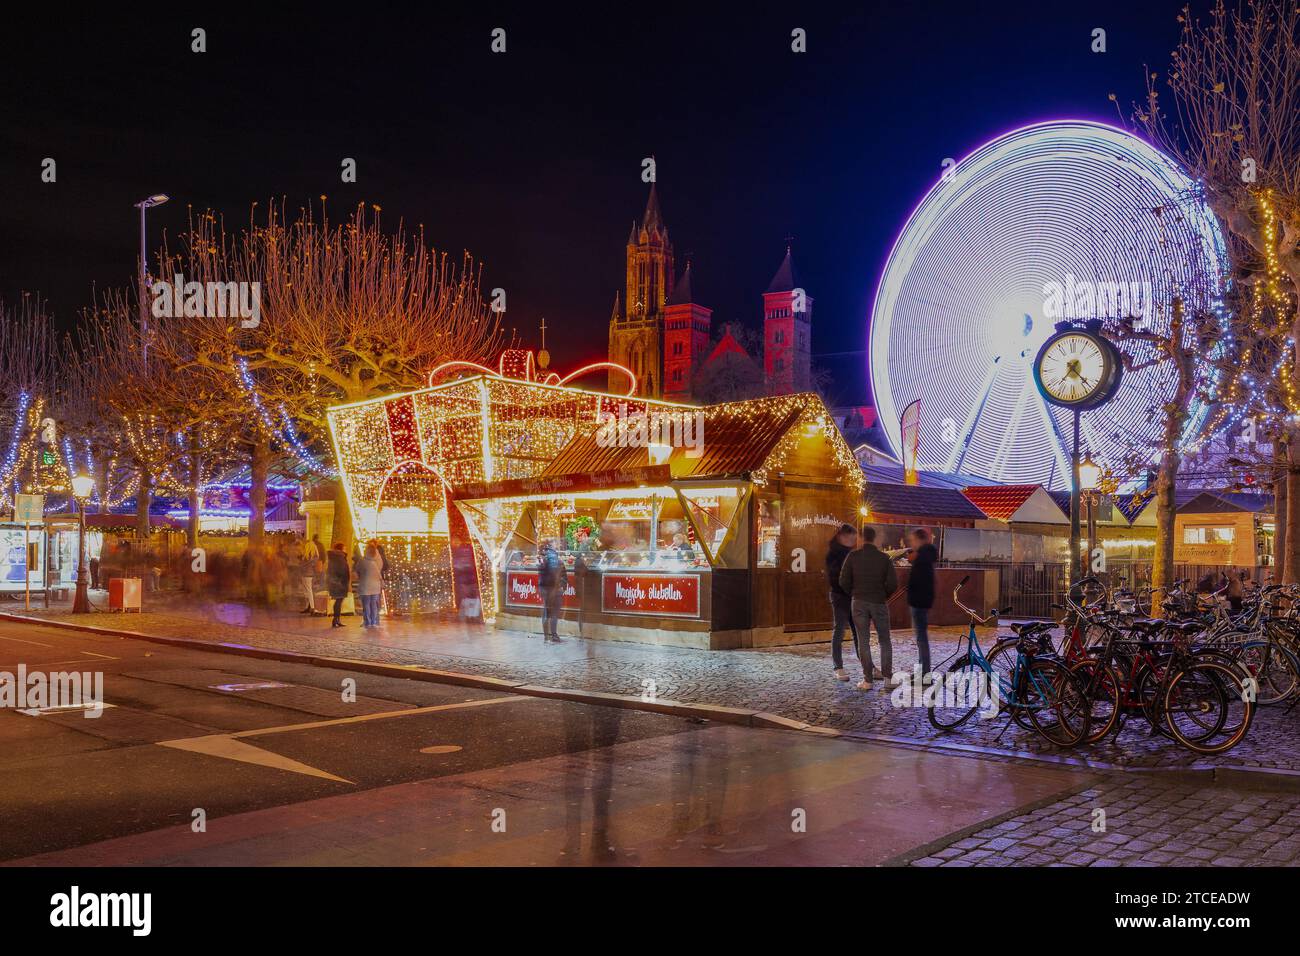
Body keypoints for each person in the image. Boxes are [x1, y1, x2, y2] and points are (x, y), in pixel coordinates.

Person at [839, 526, 898, 690]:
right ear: (874, 539)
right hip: (879, 602)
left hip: (858, 602)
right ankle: (887, 679)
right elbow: (893, 583)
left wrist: (854, 593)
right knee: (884, 640)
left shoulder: (853, 556)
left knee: (863, 641)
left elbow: (843, 581)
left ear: (861, 538)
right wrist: (883, 595)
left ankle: (868, 681)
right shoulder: (884, 558)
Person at [825, 524, 859, 682]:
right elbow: (835, 577)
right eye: (850, 536)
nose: (852, 539)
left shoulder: (851, 553)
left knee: (859, 631)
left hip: (853, 596)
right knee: (839, 630)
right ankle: (838, 667)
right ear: (841, 536)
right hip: (840, 596)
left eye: (854, 537)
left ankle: (868, 665)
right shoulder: (834, 554)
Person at [905, 528, 938, 680]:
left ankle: (924, 674)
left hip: (919, 602)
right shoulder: (926, 555)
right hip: (922, 601)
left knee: (921, 639)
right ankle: (923, 671)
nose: (912, 543)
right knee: (921, 639)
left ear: (920, 539)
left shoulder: (922, 557)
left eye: (913, 540)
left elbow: (919, 580)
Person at [538, 539, 568, 643]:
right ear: (552, 546)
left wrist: (542, 588)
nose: (558, 545)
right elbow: (561, 574)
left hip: (545, 590)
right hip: (554, 590)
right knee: (554, 613)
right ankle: (554, 636)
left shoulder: (542, 557)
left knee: (546, 613)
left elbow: (541, 575)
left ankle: (546, 637)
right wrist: (561, 587)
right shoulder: (556, 559)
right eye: (556, 544)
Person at [356, 543, 383, 628]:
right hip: (376, 586)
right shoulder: (377, 560)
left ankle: (368, 622)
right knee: (374, 604)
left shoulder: (363, 560)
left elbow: (357, 570)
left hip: (366, 585)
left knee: (366, 604)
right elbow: (379, 572)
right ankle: (374, 621)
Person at [326, 543, 351, 628]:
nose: (346, 550)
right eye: (345, 548)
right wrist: (343, 581)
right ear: (341, 549)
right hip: (340, 582)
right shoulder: (340, 557)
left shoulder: (335, 557)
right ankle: (336, 619)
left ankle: (336, 619)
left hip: (335, 581)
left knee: (338, 601)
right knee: (339, 601)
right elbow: (342, 570)